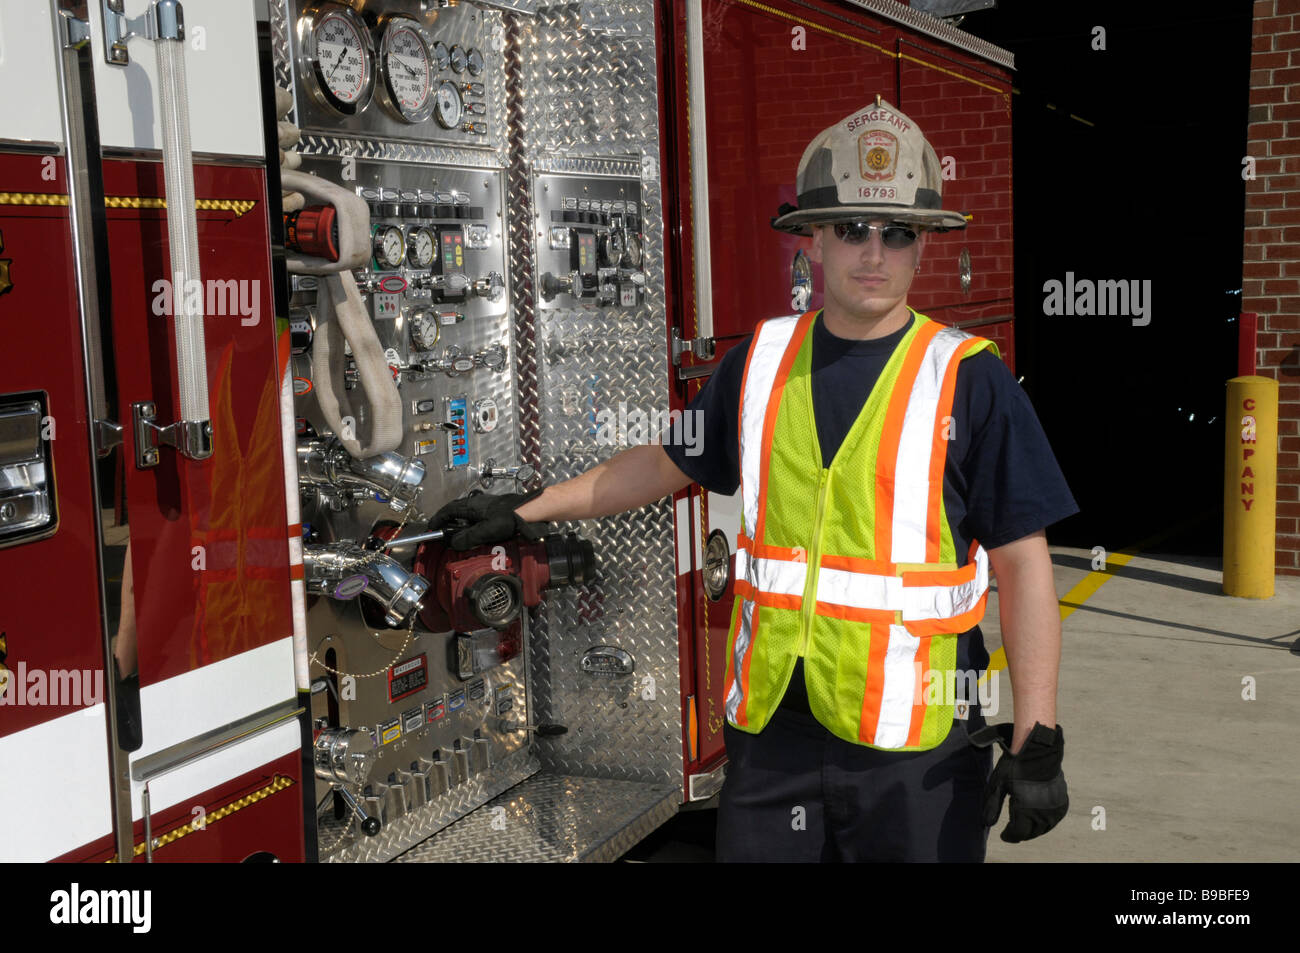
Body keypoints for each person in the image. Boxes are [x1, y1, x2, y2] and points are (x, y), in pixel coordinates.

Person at [429, 99, 1077, 862]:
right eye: (851, 229)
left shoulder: (970, 381)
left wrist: (1037, 735)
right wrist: (526, 508)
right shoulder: (760, 362)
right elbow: (664, 463)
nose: (874, 252)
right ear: (811, 240)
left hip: (918, 743)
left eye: (898, 232)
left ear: (922, 247)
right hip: (774, 736)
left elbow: (1023, 563)